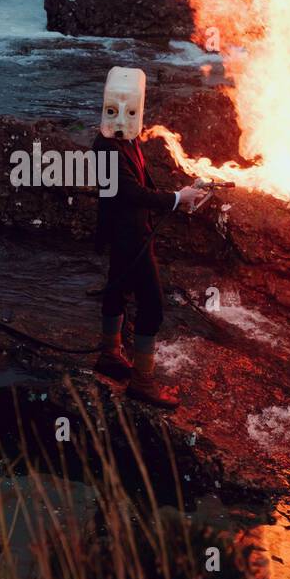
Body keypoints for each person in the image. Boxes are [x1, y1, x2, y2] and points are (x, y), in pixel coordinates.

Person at [92, 65, 202, 409]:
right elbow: (128, 191)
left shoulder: (124, 139)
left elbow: (141, 183)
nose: (123, 118)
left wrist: (177, 198)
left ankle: (110, 355)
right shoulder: (108, 147)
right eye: (115, 110)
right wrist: (174, 199)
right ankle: (142, 382)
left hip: (129, 230)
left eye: (130, 110)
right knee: (151, 304)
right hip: (128, 235)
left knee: (117, 288)